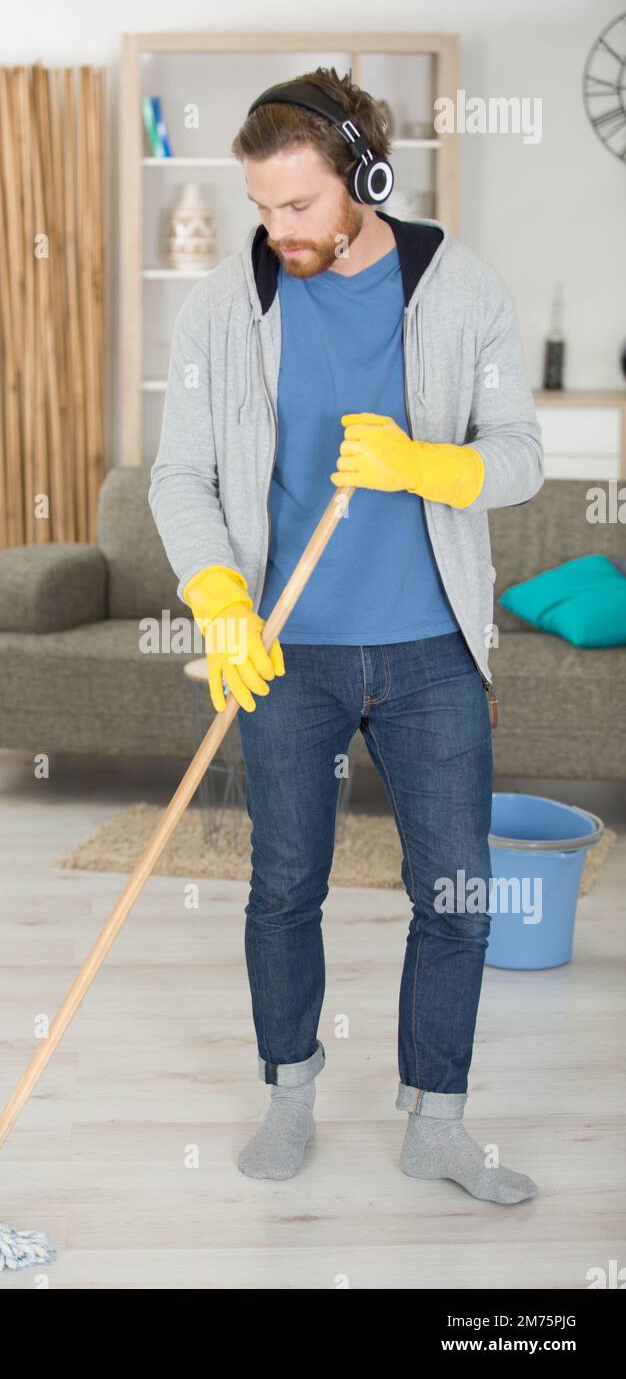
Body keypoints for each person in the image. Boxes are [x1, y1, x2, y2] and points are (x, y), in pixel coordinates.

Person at [148, 67, 543, 1203]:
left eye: (300, 207)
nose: (279, 231)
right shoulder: (227, 304)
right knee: (282, 886)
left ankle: (437, 1120)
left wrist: (429, 464)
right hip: (286, 650)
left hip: (429, 654)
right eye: (262, 208)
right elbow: (180, 473)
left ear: (364, 178)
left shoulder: (459, 289)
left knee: (455, 892)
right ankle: (289, 1091)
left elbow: (515, 450)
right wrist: (219, 596)